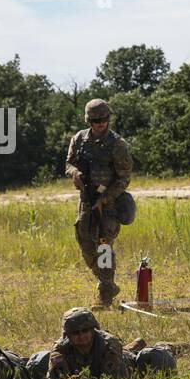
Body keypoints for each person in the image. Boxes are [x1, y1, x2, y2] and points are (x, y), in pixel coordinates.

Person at [66, 99, 133, 307]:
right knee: (85, 244)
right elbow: (69, 163)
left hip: (109, 204)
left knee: (104, 247)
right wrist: (74, 172)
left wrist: (105, 199)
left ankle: (105, 293)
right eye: (96, 120)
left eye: (104, 119)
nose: (101, 123)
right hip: (87, 201)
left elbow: (124, 178)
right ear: (89, 121)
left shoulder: (117, 144)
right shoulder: (79, 139)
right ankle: (107, 282)